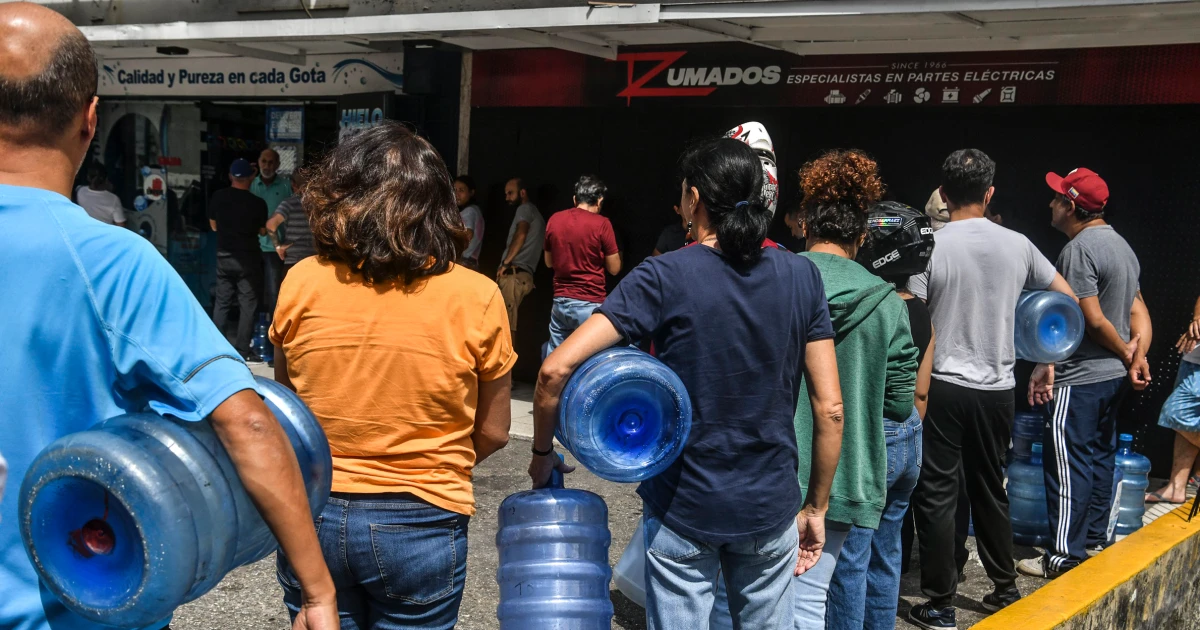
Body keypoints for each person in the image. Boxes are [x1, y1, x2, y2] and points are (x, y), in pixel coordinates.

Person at [0, 5, 337, 630]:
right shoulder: (110, 260)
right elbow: (246, 423)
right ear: (90, 120)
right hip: (78, 605)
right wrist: (315, 591)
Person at [530, 136, 845, 629]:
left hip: (684, 504)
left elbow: (553, 370)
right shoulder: (801, 276)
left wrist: (542, 454)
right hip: (770, 504)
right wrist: (817, 507)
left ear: (694, 199)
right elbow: (830, 409)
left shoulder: (662, 275)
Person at [271, 122, 514, 629]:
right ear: (438, 204)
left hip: (314, 513)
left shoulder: (303, 280)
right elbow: (492, 431)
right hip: (423, 519)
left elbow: (285, 412)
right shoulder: (478, 294)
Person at [907, 149, 1077, 630]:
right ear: (989, 193)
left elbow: (916, 318)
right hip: (999, 386)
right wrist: (1043, 357)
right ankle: (1004, 591)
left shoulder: (931, 245)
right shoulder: (1019, 244)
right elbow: (1063, 299)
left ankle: (940, 604)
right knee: (989, 488)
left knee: (937, 493)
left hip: (940, 385)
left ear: (942, 192)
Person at [787, 151, 919, 628]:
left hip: (775, 472)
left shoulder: (776, 280)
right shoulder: (888, 303)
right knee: (827, 595)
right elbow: (901, 403)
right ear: (861, 237)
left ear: (805, 226)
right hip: (846, 478)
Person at [1018, 167, 1153, 579]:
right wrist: (1135, 355)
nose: (1051, 204)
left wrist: (1129, 355)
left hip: (1080, 378)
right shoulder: (1122, 246)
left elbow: (1089, 319)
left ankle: (1062, 556)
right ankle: (1093, 541)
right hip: (1111, 379)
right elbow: (1137, 313)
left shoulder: (1079, 250)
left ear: (1072, 206)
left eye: (1058, 198)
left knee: (1067, 465)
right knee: (1098, 460)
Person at [819, 199, 936, 630]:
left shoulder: (867, 303)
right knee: (887, 559)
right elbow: (918, 393)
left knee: (848, 561)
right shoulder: (920, 309)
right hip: (909, 438)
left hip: (872, 437)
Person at [543, 175, 621, 352]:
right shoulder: (602, 224)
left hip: (560, 302)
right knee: (591, 361)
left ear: (575, 199)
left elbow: (549, 262)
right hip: (590, 303)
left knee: (556, 360)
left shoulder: (555, 219)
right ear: (599, 200)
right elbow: (615, 269)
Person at [209, 158, 268, 360]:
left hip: (224, 257)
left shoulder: (218, 197)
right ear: (251, 178)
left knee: (222, 302)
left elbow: (214, 226)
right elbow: (262, 231)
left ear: (230, 176)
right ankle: (242, 350)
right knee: (247, 305)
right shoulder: (258, 203)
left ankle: (217, 349)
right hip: (248, 259)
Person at [1146, 294, 1200, 504]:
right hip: (1193, 356)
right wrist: (1197, 318)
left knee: (1176, 412)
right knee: (1191, 424)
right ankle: (1176, 486)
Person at [496, 177, 545, 332]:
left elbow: (521, 234)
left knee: (505, 328)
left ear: (522, 193)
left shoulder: (524, 209)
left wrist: (505, 264)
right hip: (524, 276)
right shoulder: (536, 214)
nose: (507, 198)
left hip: (514, 275)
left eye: (510, 193)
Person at [252, 147, 293, 317]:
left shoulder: (285, 186)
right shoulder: (251, 184)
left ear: (277, 165)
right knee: (253, 290)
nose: (267, 166)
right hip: (253, 246)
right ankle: (255, 326)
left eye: (271, 162)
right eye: (264, 161)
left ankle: (272, 329)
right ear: (259, 162)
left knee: (274, 291)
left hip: (275, 249)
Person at [271, 168, 316, 277]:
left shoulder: (289, 204)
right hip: (315, 261)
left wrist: (278, 247)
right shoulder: (319, 205)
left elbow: (271, 225)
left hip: (293, 261)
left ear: (293, 184)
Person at [74, 162, 126, 226]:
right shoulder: (114, 199)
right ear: (106, 179)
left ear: (88, 177)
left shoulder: (79, 190)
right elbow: (121, 225)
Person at [455, 175, 485, 269]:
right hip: (472, 262)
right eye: (454, 190)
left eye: (461, 190)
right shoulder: (476, 210)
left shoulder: (469, 212)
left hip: (464, 262)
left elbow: (468, 234)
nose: (456, 194)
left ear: (471, 192)